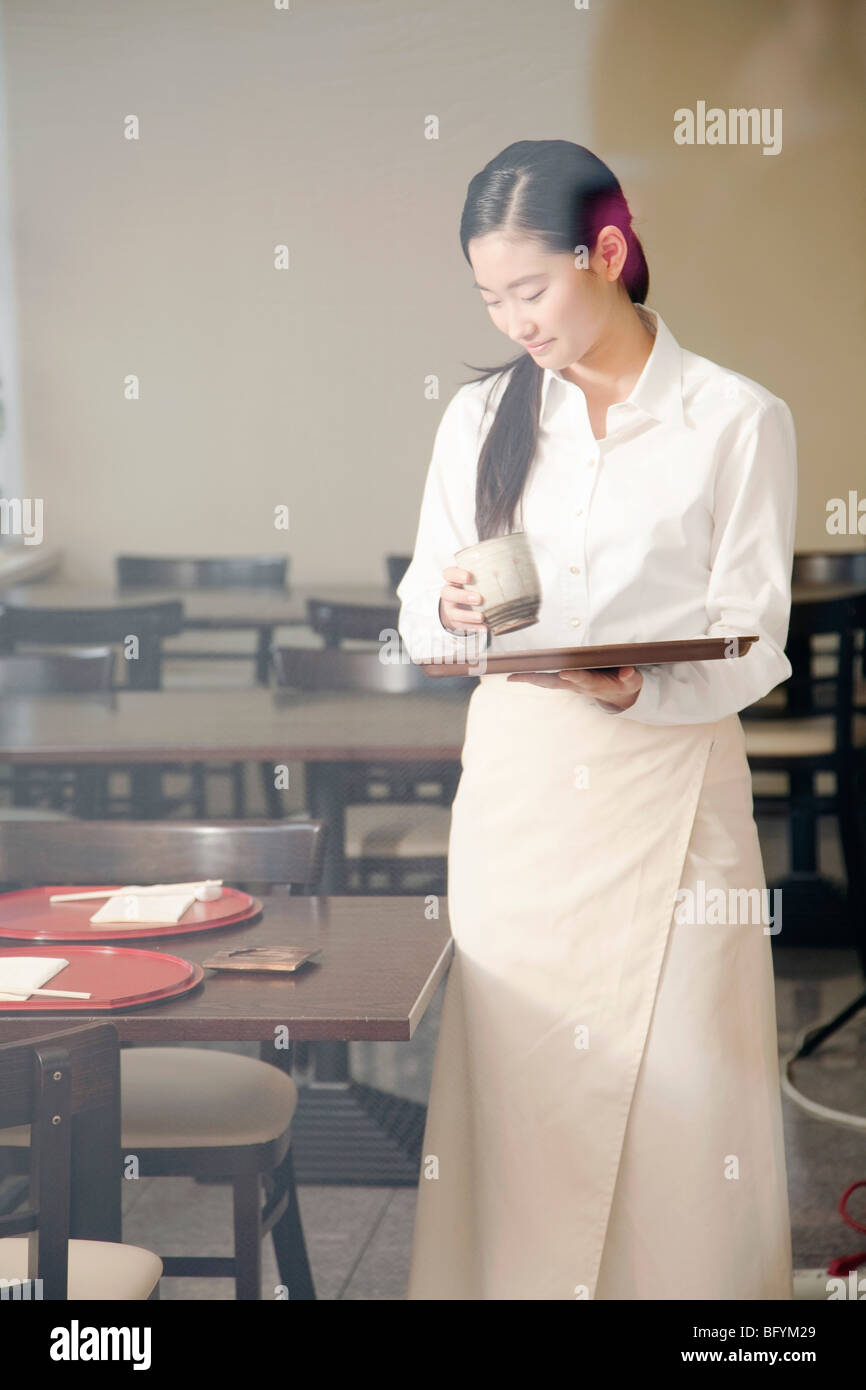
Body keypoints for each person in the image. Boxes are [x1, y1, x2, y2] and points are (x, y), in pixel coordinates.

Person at [396, 139, 796, 1300]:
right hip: (522, 797)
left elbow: (754, 634)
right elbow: (422, 610)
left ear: (606, 253)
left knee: (686, 1092)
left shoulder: (733, 418)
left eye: (529, 288)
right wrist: (451, 601)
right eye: (488, 297)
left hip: (670, 794)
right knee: (522, 1093)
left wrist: (643, 685)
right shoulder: (478, 420)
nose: (511, 317)